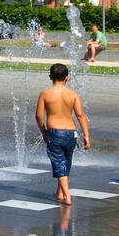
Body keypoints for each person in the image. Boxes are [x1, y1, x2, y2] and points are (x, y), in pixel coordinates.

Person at [35, 62, 90, 205]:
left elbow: (39, 116)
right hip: (71, 133)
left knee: (59, 162)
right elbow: (80, 115)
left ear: (50, 77)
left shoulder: (45, 94)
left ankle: (67, 196)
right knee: (66, 162)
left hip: (55, 132)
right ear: (67, 78)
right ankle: (59, 193)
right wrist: (86, 135)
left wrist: (43, 131)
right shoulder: (72, 94)